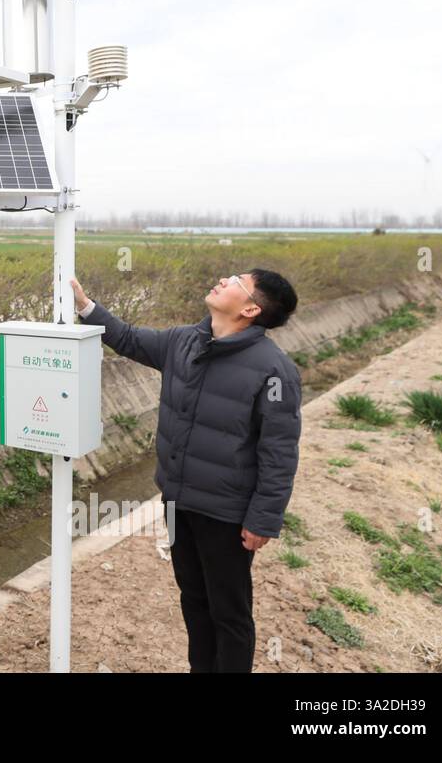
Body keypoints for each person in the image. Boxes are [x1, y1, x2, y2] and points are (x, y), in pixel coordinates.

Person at [70, 270, 302, 673]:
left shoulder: (273, 370)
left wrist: (263, 518)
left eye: (237, 281)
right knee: (193, 597)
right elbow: (126, 337)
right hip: (178, 500)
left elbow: (279, 453)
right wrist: (84, 305)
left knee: (228, 611)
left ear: (250, 308)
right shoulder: (182, 342)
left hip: (227, 512)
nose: (222, 279)